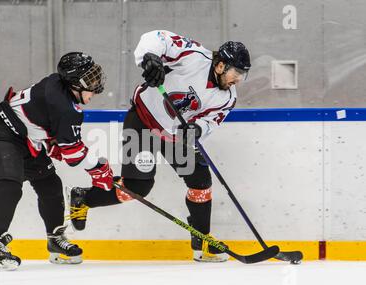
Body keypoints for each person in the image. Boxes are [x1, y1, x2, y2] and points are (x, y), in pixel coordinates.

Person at [67, 31, 251, 263]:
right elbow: (158, 37)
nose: (237, 80)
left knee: (200, 180)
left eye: (243, 76)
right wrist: (150, 57)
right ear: (221, 65)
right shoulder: (194, 56)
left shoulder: (227, 97)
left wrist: (197, 130)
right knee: (137, 188)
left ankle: (202, 241)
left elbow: (211, 121)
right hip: (142, 122)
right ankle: (84, 198)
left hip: (173, 135)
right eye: (236, 73)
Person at [0, 52, 114, 270]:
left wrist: (52, 141)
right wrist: (98, 168)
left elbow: (41, 116)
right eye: (89, 80)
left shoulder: (57, 83)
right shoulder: (66, 108)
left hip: (26, 139)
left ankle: (55, 239)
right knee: (9, 187)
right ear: (73, 82)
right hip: (2, 134)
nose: (95, 85)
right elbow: (73, 155)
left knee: (50, 185)